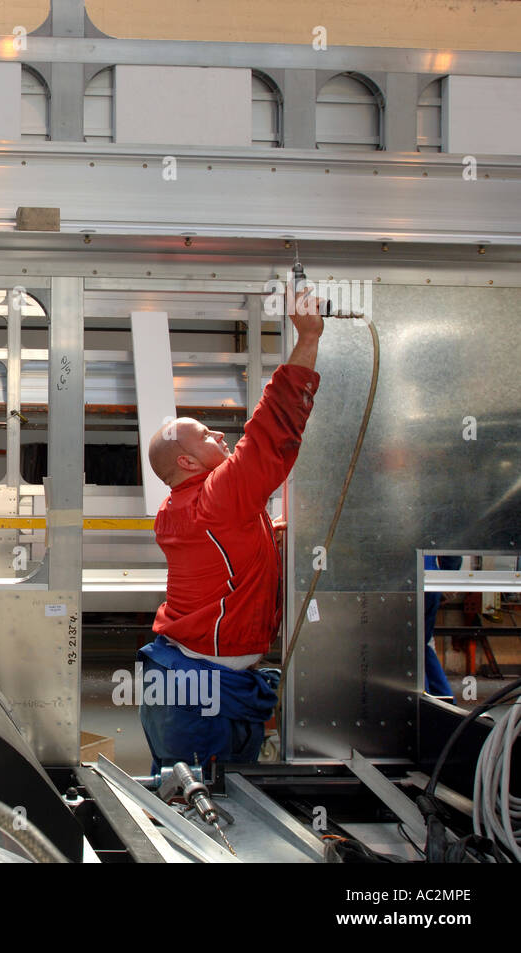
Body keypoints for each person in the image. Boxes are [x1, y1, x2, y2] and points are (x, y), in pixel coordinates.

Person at [138, 290, 323, 773]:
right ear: (186, 461)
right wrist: (309, 337)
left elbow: (227, 554)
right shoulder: (217, 499)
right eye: (206, 435)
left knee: (187, 801)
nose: (221, 435)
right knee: (212, 817)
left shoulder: (178, 508)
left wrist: (271, 537)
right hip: (204, 689)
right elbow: (270, 431)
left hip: (183, 679)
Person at [423, 554, 461, 699]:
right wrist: (447, 581)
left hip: (401, 584)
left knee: (408, 649)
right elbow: (452, 554)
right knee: (421, 647)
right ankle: (445, 701)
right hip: (430, 582)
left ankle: (424, 708)